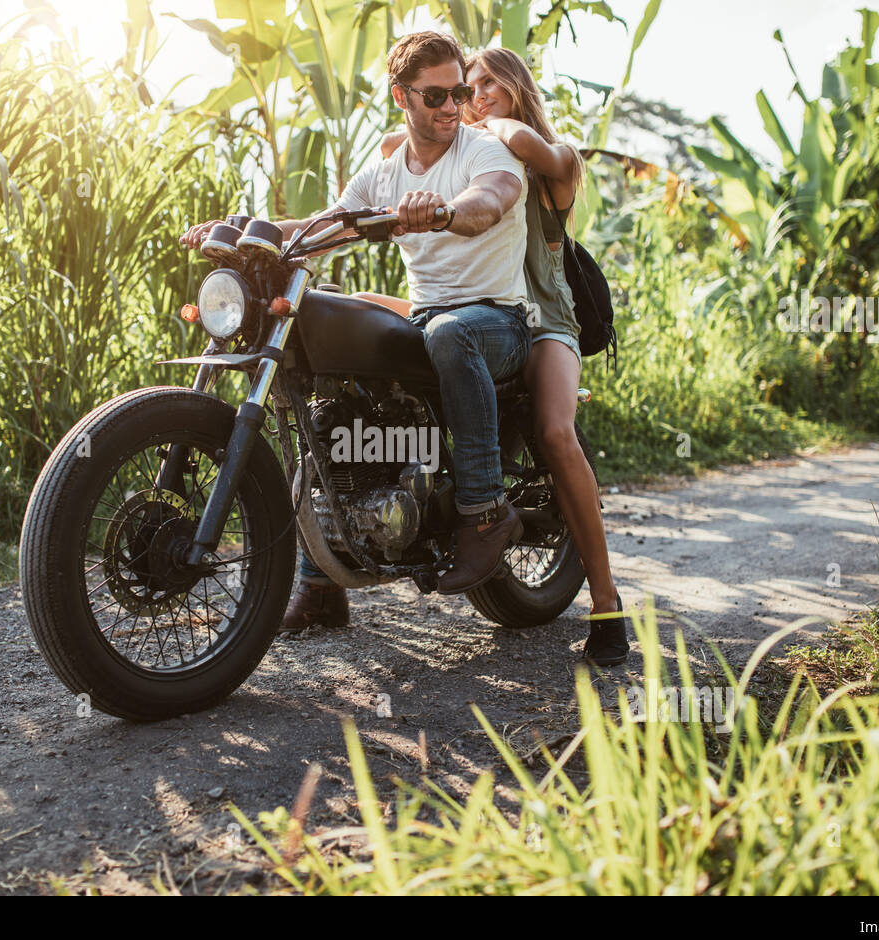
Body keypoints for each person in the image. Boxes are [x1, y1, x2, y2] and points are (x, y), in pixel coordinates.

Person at [283, 46, 631, 669]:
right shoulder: (438, 146)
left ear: (517, 89)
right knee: (337, 324)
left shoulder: (527, 155)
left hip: (538, 316)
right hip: (446, 305)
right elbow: (332, 218)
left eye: (477, 87)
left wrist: (471, 126)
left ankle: (599, 597)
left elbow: (499, 183)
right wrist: (248, 231)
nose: (470, 99)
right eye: (447, 92)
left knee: (554, 432)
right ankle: (322, 574)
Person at [184, 31, 532, 598]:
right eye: (435, 96)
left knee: (450, 334)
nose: (452, 107)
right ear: (401, 96)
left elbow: (488, 202)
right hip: (429, 320)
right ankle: (319, 581)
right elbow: (325, 227)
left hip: (496, 321)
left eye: (459, 92)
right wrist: (244, 229)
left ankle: (486, 512)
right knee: (324, 378)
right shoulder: (386, 174)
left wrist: (443, 211)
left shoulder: (482, 151)